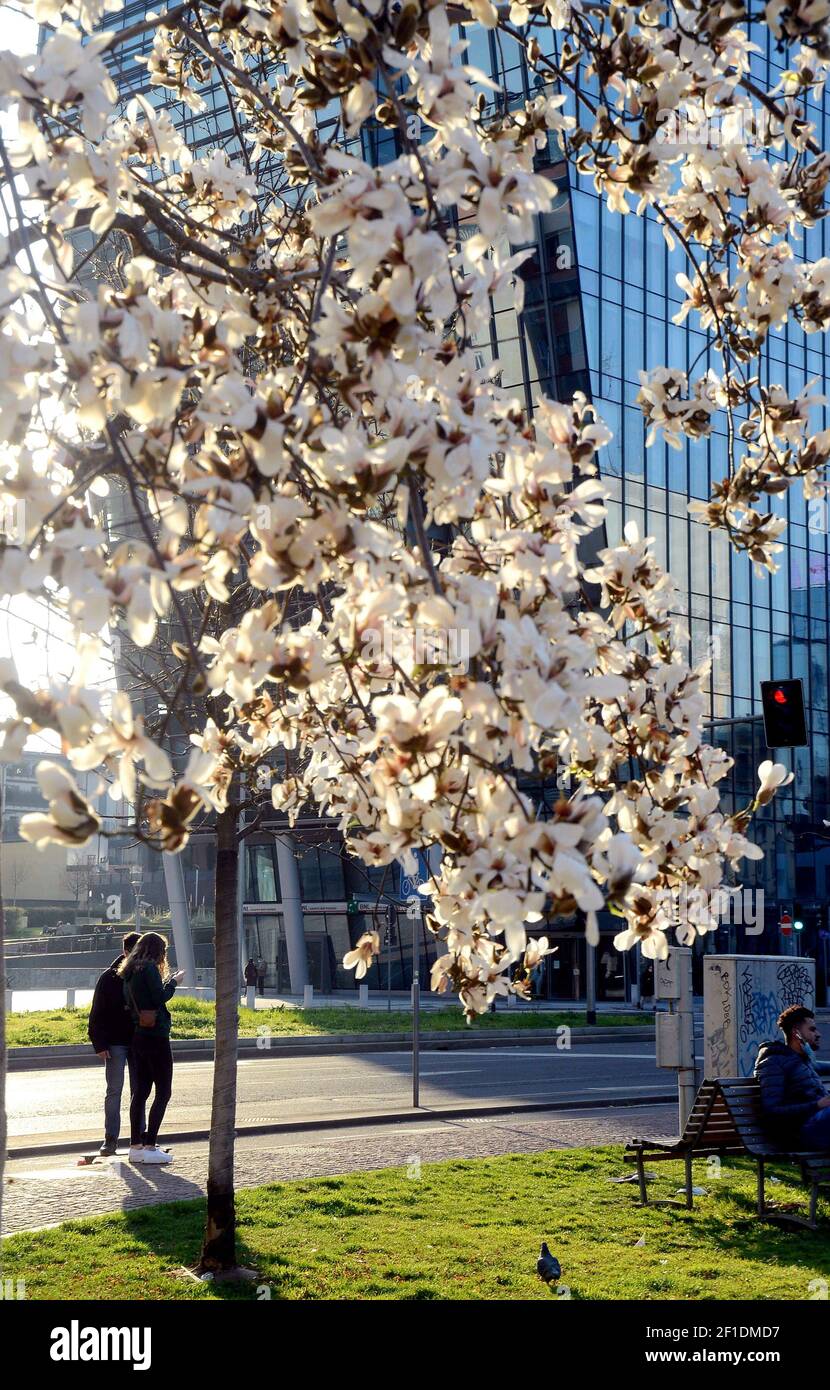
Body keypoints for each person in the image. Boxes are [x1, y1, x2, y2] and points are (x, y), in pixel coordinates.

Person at [119, 932, 183, 1165]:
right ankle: (150, 1145)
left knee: (141, 1093)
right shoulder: (149, 969)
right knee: (163, 1092)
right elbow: (159, 998)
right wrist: (174, 982)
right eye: (164, 951)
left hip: (138, 1036)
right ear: (157, 951)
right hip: (156, 1036)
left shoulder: (128, 972)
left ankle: (135, 1146)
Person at [88, 930, 142, 1157]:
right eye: (137, 953)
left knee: (139, 1091)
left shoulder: (144, 973)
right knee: (115, 1091)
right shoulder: (109, 977)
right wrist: (99, 1044)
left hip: (139, 1041)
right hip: (116, 1042)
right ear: (126, 952)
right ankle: (110, 1139)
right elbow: (96, 1012)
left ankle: (139, 1139)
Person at [754, 1005, 830, 1149]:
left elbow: (821, 1067)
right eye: (812, 1030)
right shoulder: (773, 1063)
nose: (818, 1034)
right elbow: (771, 1111)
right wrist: (817, 1104)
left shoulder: (803, 1060)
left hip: (819, 1122)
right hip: (800, 1131)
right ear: (797, 1033)